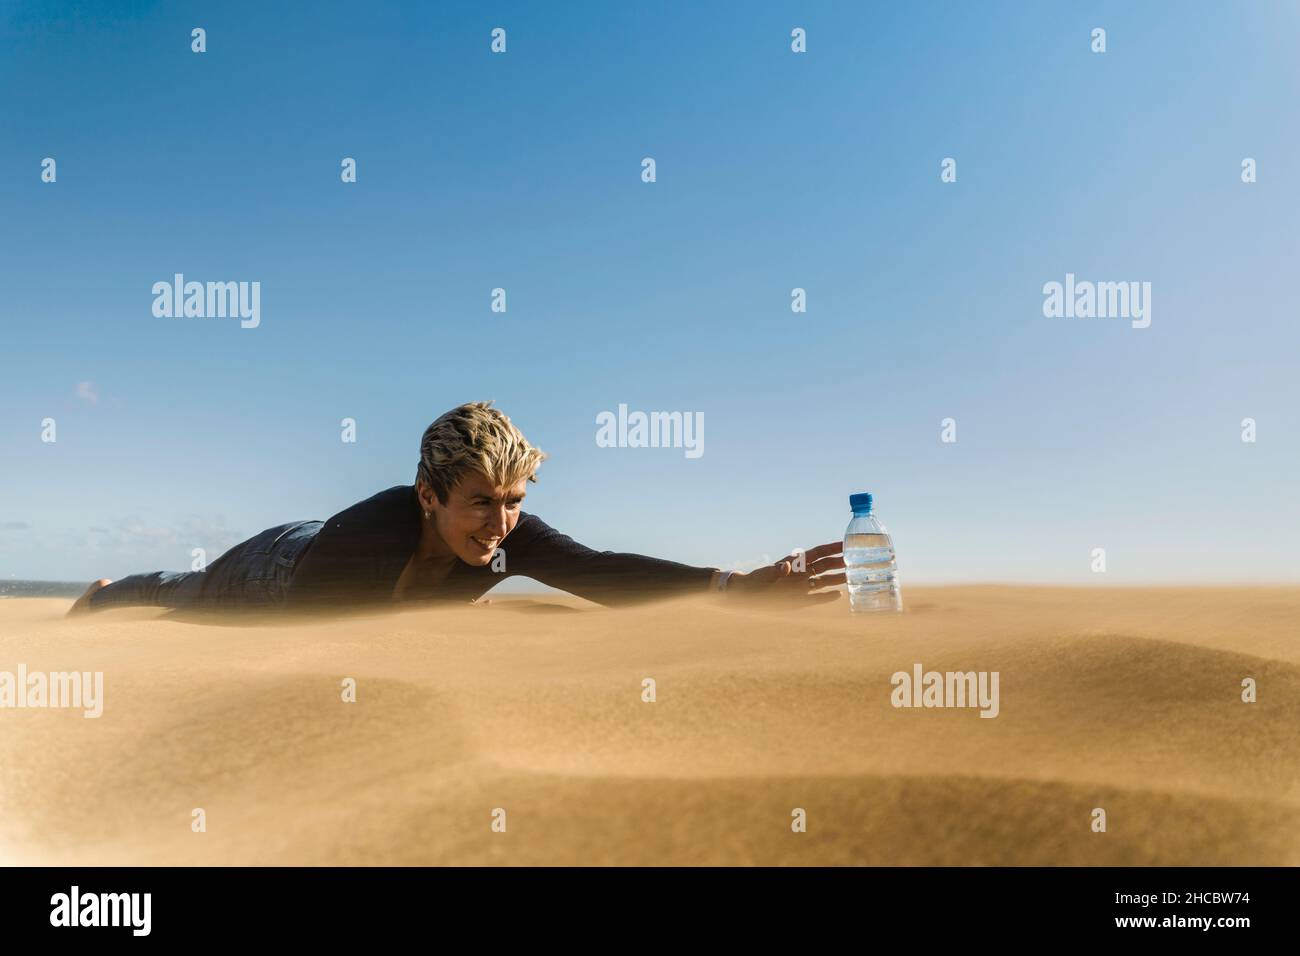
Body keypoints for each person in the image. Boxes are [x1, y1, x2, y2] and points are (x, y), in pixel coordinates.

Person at [68, 402, 844, 615]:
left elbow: (598, 572)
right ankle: (108, 592)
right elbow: (309, 635)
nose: (499, 524)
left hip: (326, 557)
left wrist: (732, 586)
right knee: (179, 596)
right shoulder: (366, 546)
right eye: (480, 504)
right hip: (277, 569)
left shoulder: (506, 537)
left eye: (512, 502)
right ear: (430, 496)